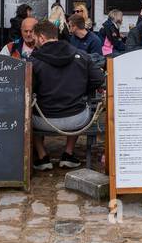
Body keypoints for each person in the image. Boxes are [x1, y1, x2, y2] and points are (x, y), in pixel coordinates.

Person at [29, 20, 104, 171]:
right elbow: (98, 79)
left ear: (42, 38)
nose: (33, 41)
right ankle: (68, 154)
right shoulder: (80, 55)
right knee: (80, 104)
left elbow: (28, 89)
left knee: (26, 114)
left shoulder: (34, 61)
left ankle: (43, 156)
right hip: (76, 119)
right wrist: (82, 89)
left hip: (43, 120)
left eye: (35, 38)